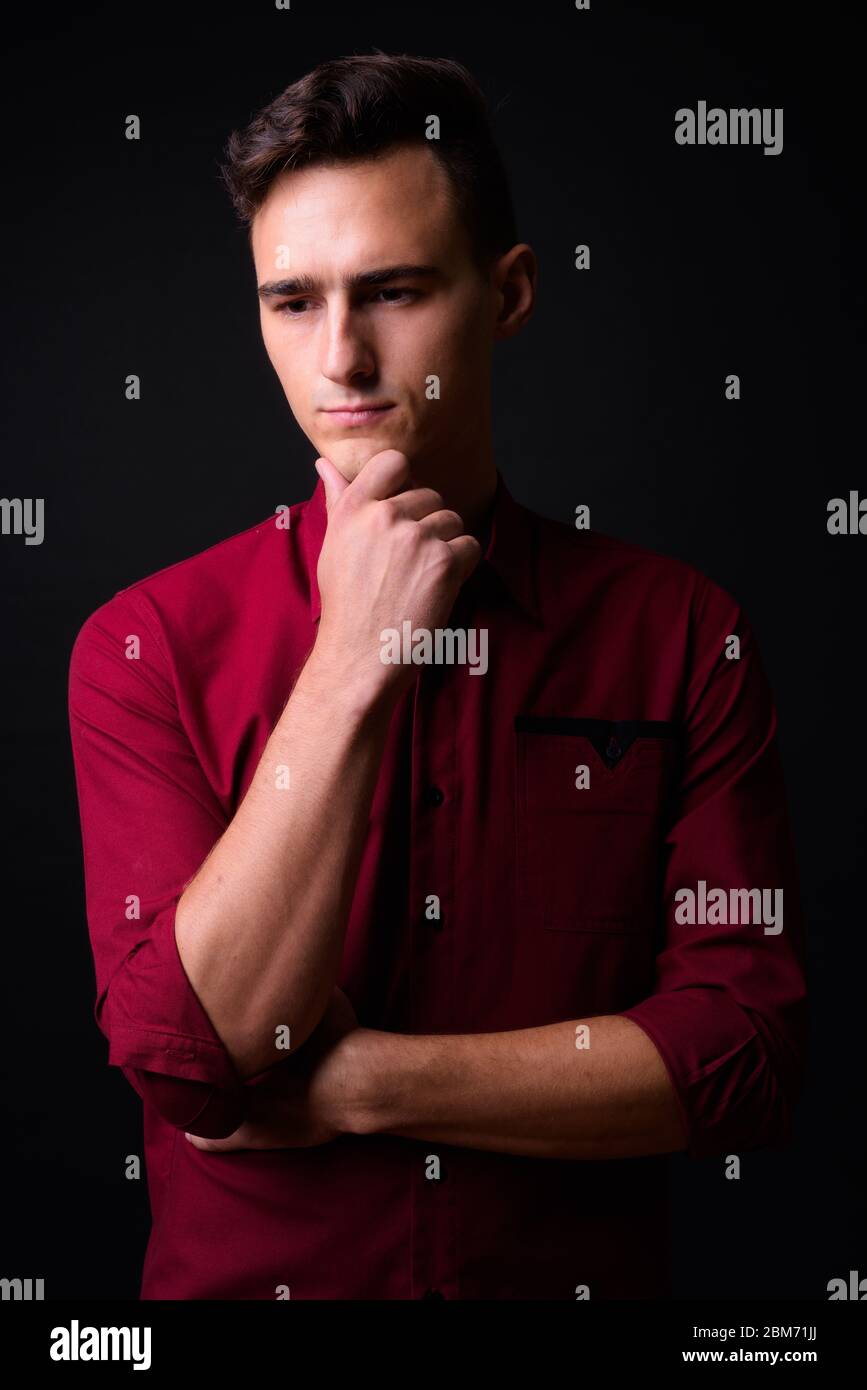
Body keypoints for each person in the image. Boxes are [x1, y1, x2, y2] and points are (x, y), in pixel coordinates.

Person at [68, 52, 807, 1300]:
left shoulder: (683, 632)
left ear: (508, 293)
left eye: (394, 291)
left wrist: (360, 1083)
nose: (342, 359)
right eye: (291, 301)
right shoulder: (144, 646)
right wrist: (354, 660)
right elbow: (193, 1063)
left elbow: (742, 1054)